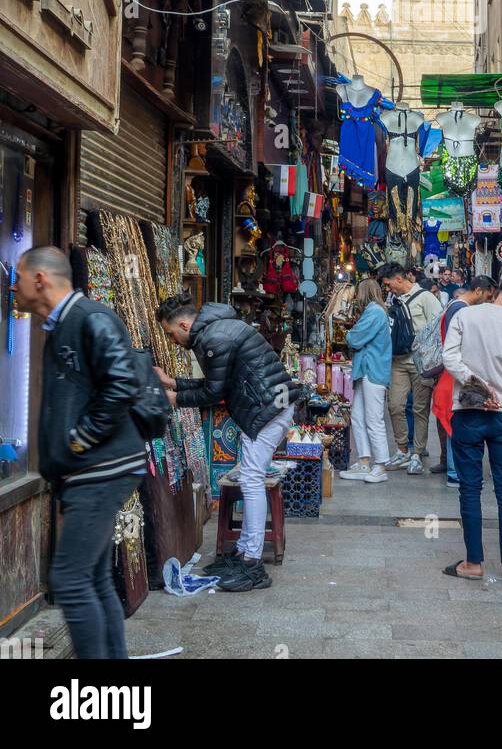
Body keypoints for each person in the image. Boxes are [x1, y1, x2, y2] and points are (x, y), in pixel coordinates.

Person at [15, 246, 147, 659]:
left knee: (70, 578)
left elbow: (122, 383)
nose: (12, 286)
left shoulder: (88, 317)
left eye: (18, 276)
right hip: (91, 471)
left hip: (101, 468)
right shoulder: (63, 324)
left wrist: (79, 439)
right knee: (92, 578)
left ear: (40, 280)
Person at [156, 293, 300, 592]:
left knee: (251, 479)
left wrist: (175, 397)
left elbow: (212, 394)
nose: (172, 341)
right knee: (251, 477)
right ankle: (245, 553)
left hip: (267, 408)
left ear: (183, 325)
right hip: (268, 405)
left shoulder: (213, 338)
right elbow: (216, 384)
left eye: (171, 334)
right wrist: (176, 384)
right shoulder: (215, 329)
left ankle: (253, 563)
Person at [442, 270, 502, 582]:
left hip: (467, 411)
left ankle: (474, 563)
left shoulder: (465, 317)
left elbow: (449, 358)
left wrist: (476, 386)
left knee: (470, 488)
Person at [380, 262, 443, 473]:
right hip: (398, 361)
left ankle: (417, 453)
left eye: (389, 285)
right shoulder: (394, 300)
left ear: (399, 279)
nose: (388, 289)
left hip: (420, 363)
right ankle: (402, 449)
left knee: (419, 408)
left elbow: (438, 328)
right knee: (395, 405)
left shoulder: (426, 298)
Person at [430, 275, 494, 483]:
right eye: (488, 295)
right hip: (455, 374)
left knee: (456, 422)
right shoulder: (460, 310)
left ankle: (455, 470)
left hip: (452, 373)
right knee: (456, 422)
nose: (488, 300)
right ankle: (455, 472)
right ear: (479, 291)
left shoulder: (454, 306)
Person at [340, 277, 392, 484]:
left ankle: (380, 465)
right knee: (359, 416)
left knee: (373, 418)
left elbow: (354, 339)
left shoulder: (374, 312)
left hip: (372, 371)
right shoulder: (377, 311)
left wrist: (350, 334)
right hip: (367, 371)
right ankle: (364, 462)